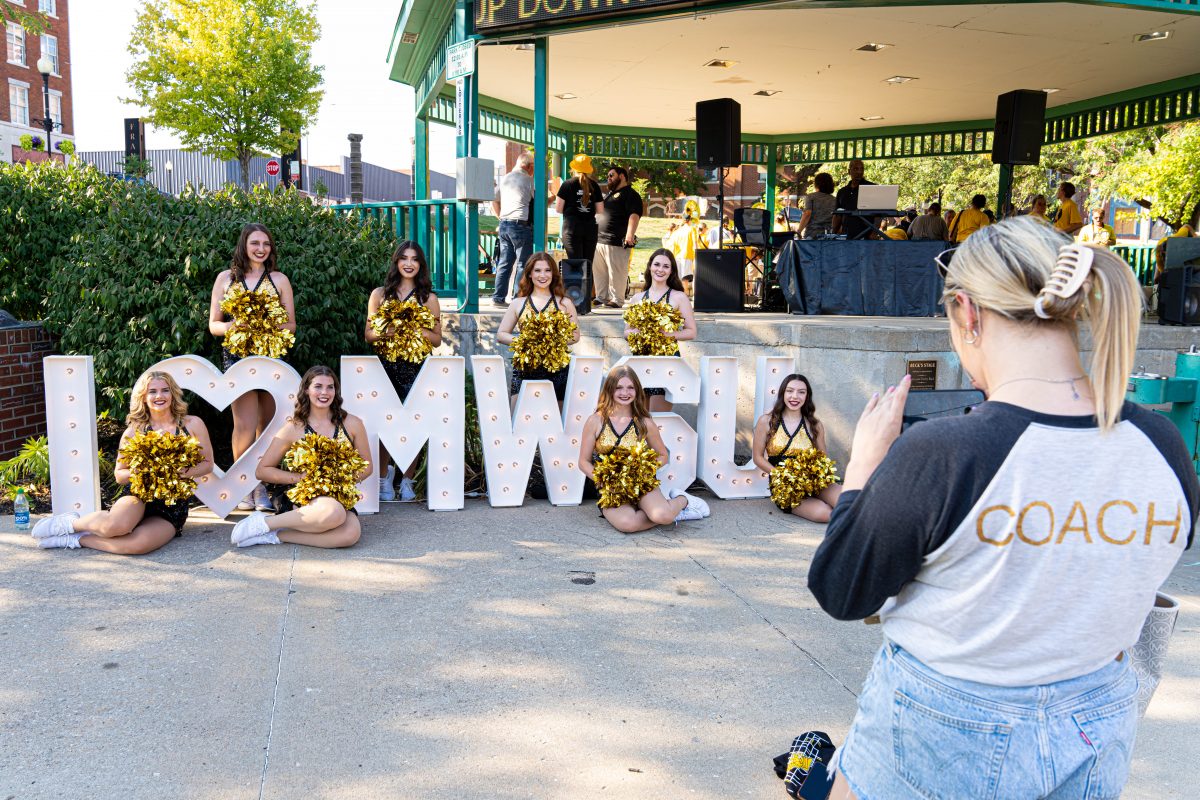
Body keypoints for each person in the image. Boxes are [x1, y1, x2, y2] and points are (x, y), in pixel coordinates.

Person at [811, 216, 1196, 800]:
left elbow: (843, 590)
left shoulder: (945, 452)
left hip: (945, 725)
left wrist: (864, 467)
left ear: (967, 312)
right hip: (1100, 720)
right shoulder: (1163, 445)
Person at [32, 372, 214, 553]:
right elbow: (120, 475)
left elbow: (208, 464)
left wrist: (181, 472)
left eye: (165, 390)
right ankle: (68, 523)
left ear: (173, 394)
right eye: (152, 391)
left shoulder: (192, 424)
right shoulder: (134, 431)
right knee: (114, 527)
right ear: (143, 397)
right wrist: (144, 472)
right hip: (137, 496)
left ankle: (78, 539)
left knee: (138, 545)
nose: (159, 396)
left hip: (171, 505)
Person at [232, 366, 372, 549]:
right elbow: (262, 470)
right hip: (302, 495)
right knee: (334, 512)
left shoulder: (352, 423)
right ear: (306, 389)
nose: (324, 392)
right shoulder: (294, 428)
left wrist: (340, 481)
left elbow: (367, 466)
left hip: (337, 494)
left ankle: (276, 535)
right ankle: (263, 522)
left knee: (350, 534)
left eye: (330, 387)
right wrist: (299, 478)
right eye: (318, 386)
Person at [208, 223, 296, 512]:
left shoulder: (279, 279)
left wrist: (263, 324)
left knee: (269, 427)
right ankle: (247, 487)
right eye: (255, 243)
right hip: (237, 358)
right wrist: (236, 326)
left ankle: (266, 486)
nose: (261, 249)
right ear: (244, 245)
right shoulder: (225, 279)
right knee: (244, 425)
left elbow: (291, 324)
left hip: (272, 359)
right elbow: (214, 325)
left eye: (266, 244)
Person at [577, 365, 709, 532]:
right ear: (609, 389)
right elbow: (583, 462)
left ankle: (683, 501)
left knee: (663, 516)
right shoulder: (596, 421)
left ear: (637, 390)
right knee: (627, 524)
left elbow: (663, 456)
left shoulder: (644, 422)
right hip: (611, 488)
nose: (625, 393)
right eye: (619, 388)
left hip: (641, 482)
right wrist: (604, 480)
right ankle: (673, 512)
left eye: (630, 388)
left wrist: (641, 471)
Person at [364, 240, 442, 503]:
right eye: (404, 258)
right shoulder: (380, 295)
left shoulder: (428, 298)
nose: (409, 263)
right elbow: (368, 335)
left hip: (417, 367)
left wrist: (416, 328)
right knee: (385, 423)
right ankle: (385, 478)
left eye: (414, 259)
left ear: (420, 265)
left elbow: (437, 339)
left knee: (414, 423)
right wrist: (387, 330)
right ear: (396, 262)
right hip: (386, 366)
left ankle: (407, 479)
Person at [751, 374, 841, 523]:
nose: (795, 396)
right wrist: (782, 476)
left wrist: (812, 478)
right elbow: (758, 458)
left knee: (849, 502)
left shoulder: (815, 425)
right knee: (825, 514)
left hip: (813, 481)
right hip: (786, 486)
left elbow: (823, 458)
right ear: (783, 393)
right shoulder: (767, 421)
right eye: (790, 391)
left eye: (801, 392)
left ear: (807, 396)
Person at [496, 252, 581, 406]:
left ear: (554, 274)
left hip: (557, 369)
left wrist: (552, 342)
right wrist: (528, 341)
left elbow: (575, 336)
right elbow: (501, 335)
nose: (543, 275)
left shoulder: (565, 303)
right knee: (519, 421)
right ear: (529, 274)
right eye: (537, 270)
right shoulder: (518, 303)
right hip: (526, 368)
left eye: (548, 270)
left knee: (556, 423)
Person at [626, 248, 697, 412]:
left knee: (659, 422)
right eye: (657, 264)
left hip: (667, 361)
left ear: (671, 270)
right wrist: (641, 334)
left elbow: (691, 331)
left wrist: (667, 335)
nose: (660, 269)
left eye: (666, 266)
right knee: (640, 420)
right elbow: (626, 331)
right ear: (650, 266)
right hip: (641, 359)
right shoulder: (637, 298)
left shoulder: (678, 297)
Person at [593, 165, 643, 308]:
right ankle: (601, 297)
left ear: (621, 176)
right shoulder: (609, 194)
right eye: (608, 176)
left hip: (616, 241)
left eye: (611, 175)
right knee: (600, 272)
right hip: (599, 240)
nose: (608, 178)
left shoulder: (630, 194)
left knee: (617, 272)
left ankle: (616, 299)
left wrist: (629, 235)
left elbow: (634, 215)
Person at [490, 152, 536, 307]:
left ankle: (498, 297)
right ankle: (518, 298)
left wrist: (501, 218)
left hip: (504, 224)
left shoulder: (505, 178)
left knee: (504, 262)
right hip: (520, 225)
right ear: (528, 166)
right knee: (523, 263)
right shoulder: (528, 180)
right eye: (533, 167)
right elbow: (536, 200)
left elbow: (494, 201)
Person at [555, 153, 604, 269]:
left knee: (575, 265)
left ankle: (575, 288)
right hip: (590, 228)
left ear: (574, 168)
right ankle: (587, 287)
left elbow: (558, 209)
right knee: (587, 266)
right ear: (589, 170)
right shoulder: (595, 186)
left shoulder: (567, 184)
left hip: (572, 228)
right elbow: (600, 210)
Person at [832, 160, 877, 239]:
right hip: (846, 236)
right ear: (849, 171)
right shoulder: (842, 192)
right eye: (856, 169)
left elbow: (879, 214)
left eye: (862, 169)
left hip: (867, 237)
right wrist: (833, 234)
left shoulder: (872, 188)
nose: (859, 172)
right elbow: (838, 215)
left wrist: (874, 232)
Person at [798, 172, 836, 239]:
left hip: (812, 236)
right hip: (828, 236)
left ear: (817, 184)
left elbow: (807, 214)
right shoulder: (834, 200)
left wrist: (798, 231)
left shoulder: (811, 197)